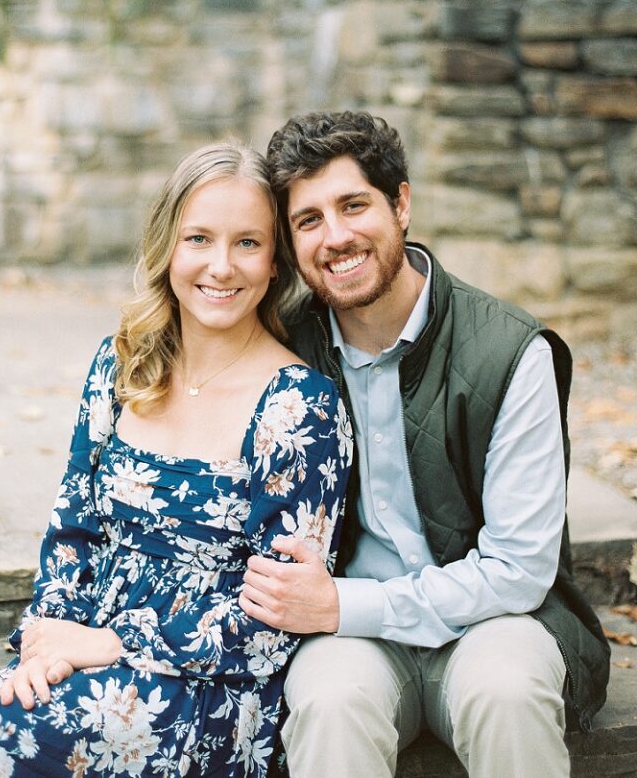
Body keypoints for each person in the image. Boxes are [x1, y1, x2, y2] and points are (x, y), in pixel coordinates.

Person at [0, 142, 353, 778]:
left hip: (203, 687)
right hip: (78, 651)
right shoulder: (120, 367)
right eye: (199, 238)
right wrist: (46, 640)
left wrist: (109, 644)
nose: (221, 266)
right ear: (168, 246)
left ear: (275, 262)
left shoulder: (299, 406)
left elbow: (276, 616)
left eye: (247, 243)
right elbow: (72, 531)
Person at [240, 111, 610, 778]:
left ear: (401, 203)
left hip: (493, 623)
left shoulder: (508, 351)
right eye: (309, 220)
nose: (337, 237)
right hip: (351, 640)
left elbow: (520, 568)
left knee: (508, 692)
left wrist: (341, 603)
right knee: (326, 703)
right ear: (291, 243)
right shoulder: (282, 350)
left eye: (354, 205)